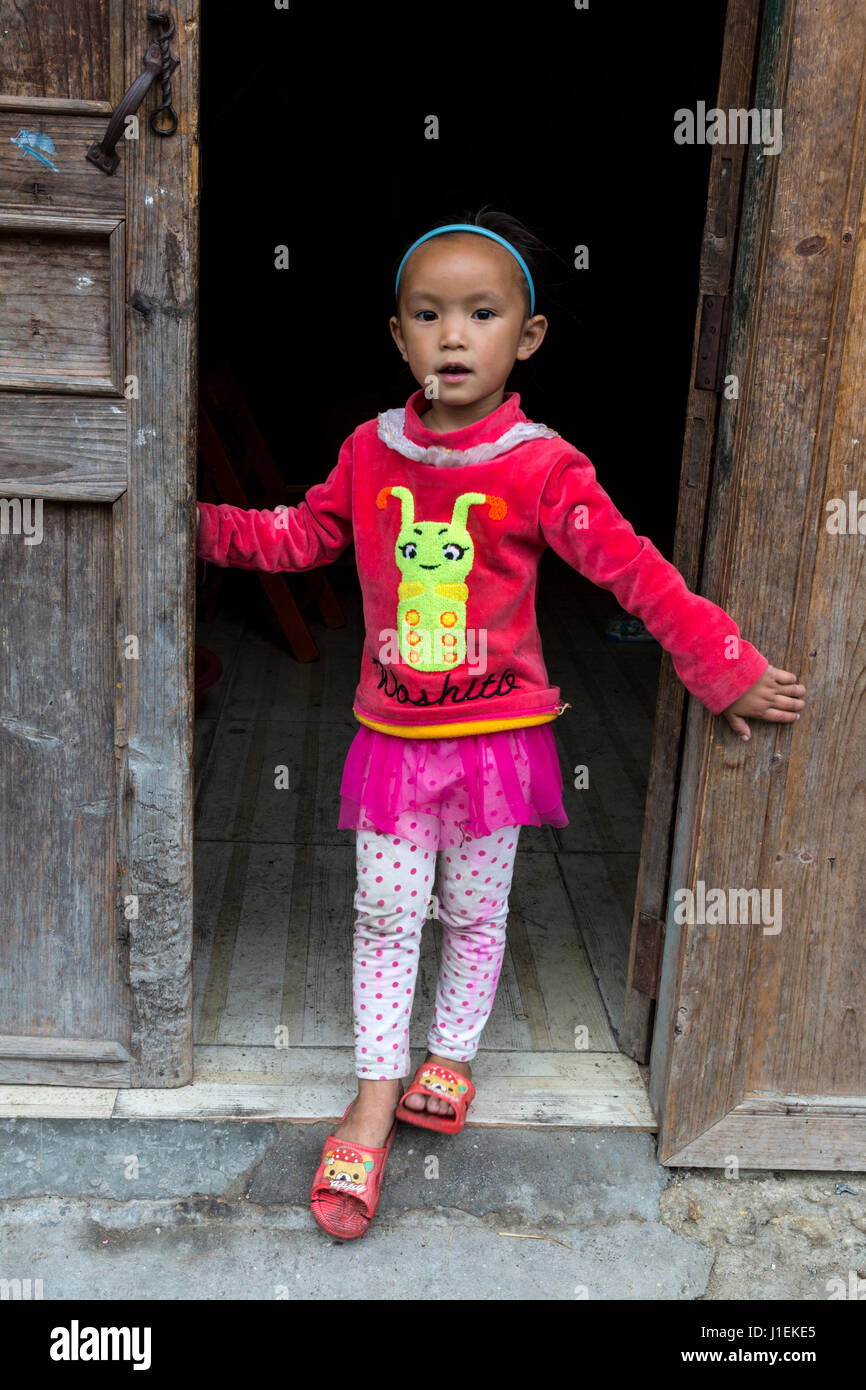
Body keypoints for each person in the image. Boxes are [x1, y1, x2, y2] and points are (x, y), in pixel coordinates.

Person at [195, 210, 806, 1240]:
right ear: (396, 337)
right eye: (427, 315)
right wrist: (191, 524)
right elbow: (302, 532)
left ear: (524, 337)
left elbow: (632, 571)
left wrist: (720, 664)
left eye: (480, 314)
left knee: (473, 917)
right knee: (387, 918)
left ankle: (452, 1054)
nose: (451, 336)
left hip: (497, 745)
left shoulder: (542, 466)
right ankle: (374, 1097)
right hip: (391, 745)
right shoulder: (369, 449)